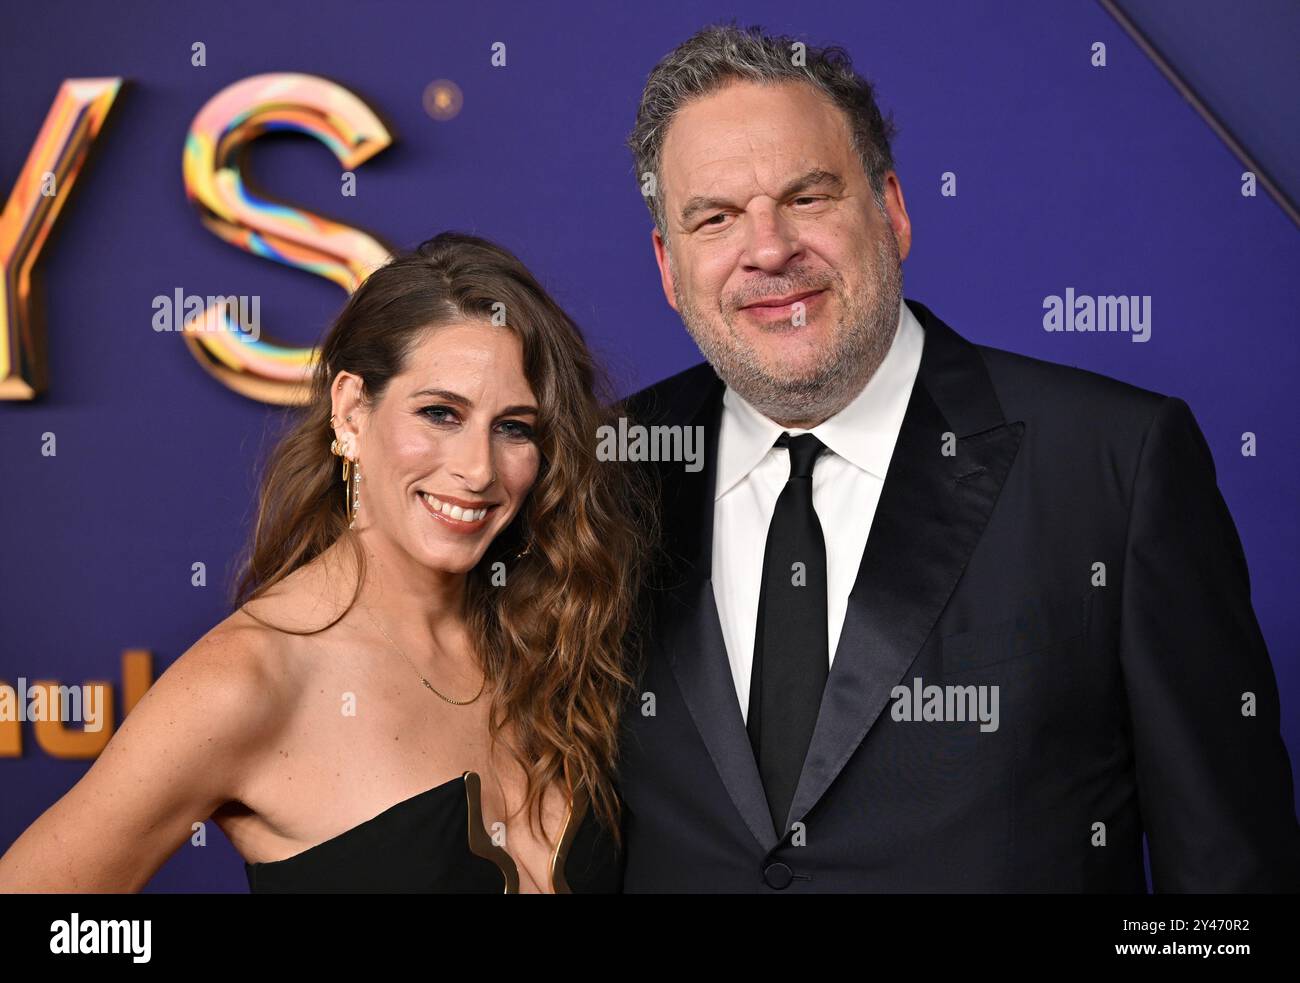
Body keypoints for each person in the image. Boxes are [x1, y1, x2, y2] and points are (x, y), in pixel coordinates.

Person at [616, 24, 1300, 891]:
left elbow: (1229, 902)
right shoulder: (606, 474)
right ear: (670, 267)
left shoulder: (1116, 466)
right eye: (714, 218)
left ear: (892, 211)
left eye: (809, 196)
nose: (768, 248)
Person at [0, 232, 652, 893]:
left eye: (514, 427)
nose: (478, 469)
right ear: (349, 412)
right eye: (439, 412)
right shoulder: (249, 679)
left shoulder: (551, 635)